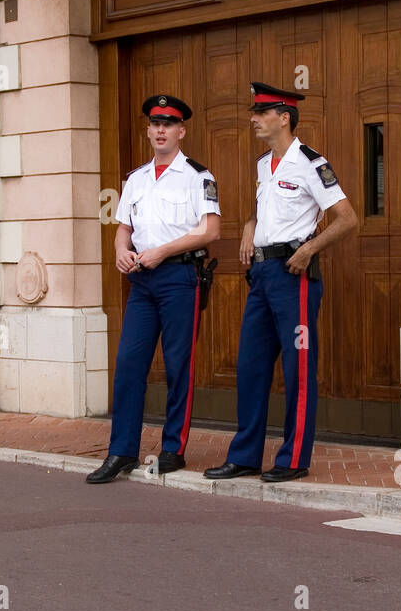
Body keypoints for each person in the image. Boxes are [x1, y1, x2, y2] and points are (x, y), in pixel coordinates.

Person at [205, 82, 357, 483]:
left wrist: (309, 251)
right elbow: (261, 209)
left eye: (261, 113)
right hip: (261, 275)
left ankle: (293, 458)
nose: (253, 119)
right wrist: (248, 229)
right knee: (250, 367)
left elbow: (346, 218)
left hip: (295, 275)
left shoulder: (310, 163)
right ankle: (245, 456)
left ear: (283, 117)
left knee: (298, 368)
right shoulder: (263, 164)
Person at [86, 94, 222, 484]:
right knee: (129, 364)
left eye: (168, 123)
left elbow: (211, 230)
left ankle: (172, 449)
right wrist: (119, 252)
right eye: (154, 123)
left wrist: (163, 250)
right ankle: (121, 451)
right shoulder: (135, 180)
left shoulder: (199, 176)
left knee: (179, 366)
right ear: (148, 130)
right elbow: (123, 229)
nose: (160, 129)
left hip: (180, 278)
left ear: (181, 131)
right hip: (142, 281)